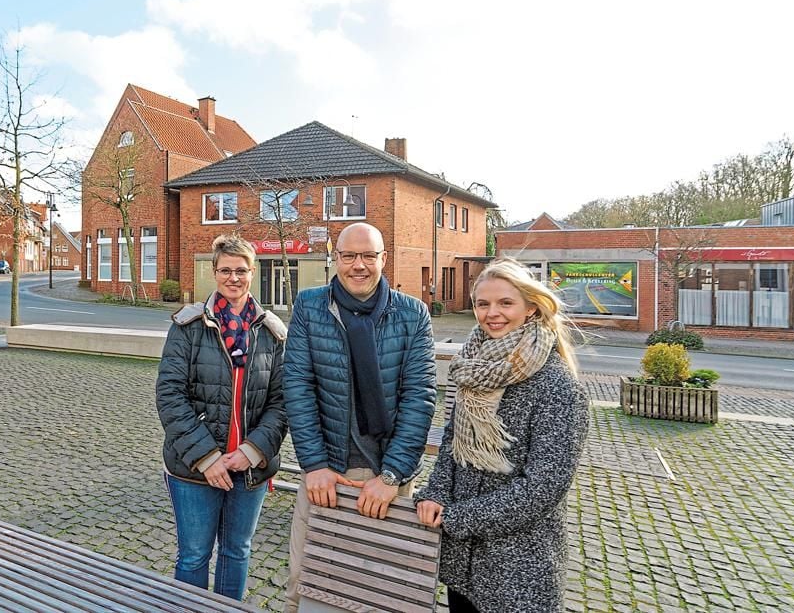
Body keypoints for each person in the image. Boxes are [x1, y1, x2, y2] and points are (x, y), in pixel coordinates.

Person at [415, 258, 590, 612]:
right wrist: (434, 493)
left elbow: (541, 489)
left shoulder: (557, 387)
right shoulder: (472, 369)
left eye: (505, 303)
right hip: (463, 565)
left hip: (519, 568)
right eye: (483, 303)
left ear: (530, 309)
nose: (492, 313)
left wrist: (456, 517)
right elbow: (453, 446)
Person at [283, 222, 437, 611]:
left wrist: (392, 475)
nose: (359, 265)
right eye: (349, 255)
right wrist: (314, 464)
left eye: (369, 255)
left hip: (388, 478)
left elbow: (419, 398)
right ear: (335, 259)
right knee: (306, 585)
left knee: (382, 589)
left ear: (384, 259)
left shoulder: (413, 315)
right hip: (327, 475)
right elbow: (298, 387)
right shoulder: (309, 306)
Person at [155, 234, 288, 601]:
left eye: (241, 270)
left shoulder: (272, 333)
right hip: (193, 469)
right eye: (226, 270)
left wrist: (253, 450)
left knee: (236, 552)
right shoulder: (189, 327)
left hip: (250, 469)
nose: (234, 278)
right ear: (214, 272)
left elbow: (281, 403)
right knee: (195, 556)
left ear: (252, 272)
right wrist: (206, 457)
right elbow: (170, 395)